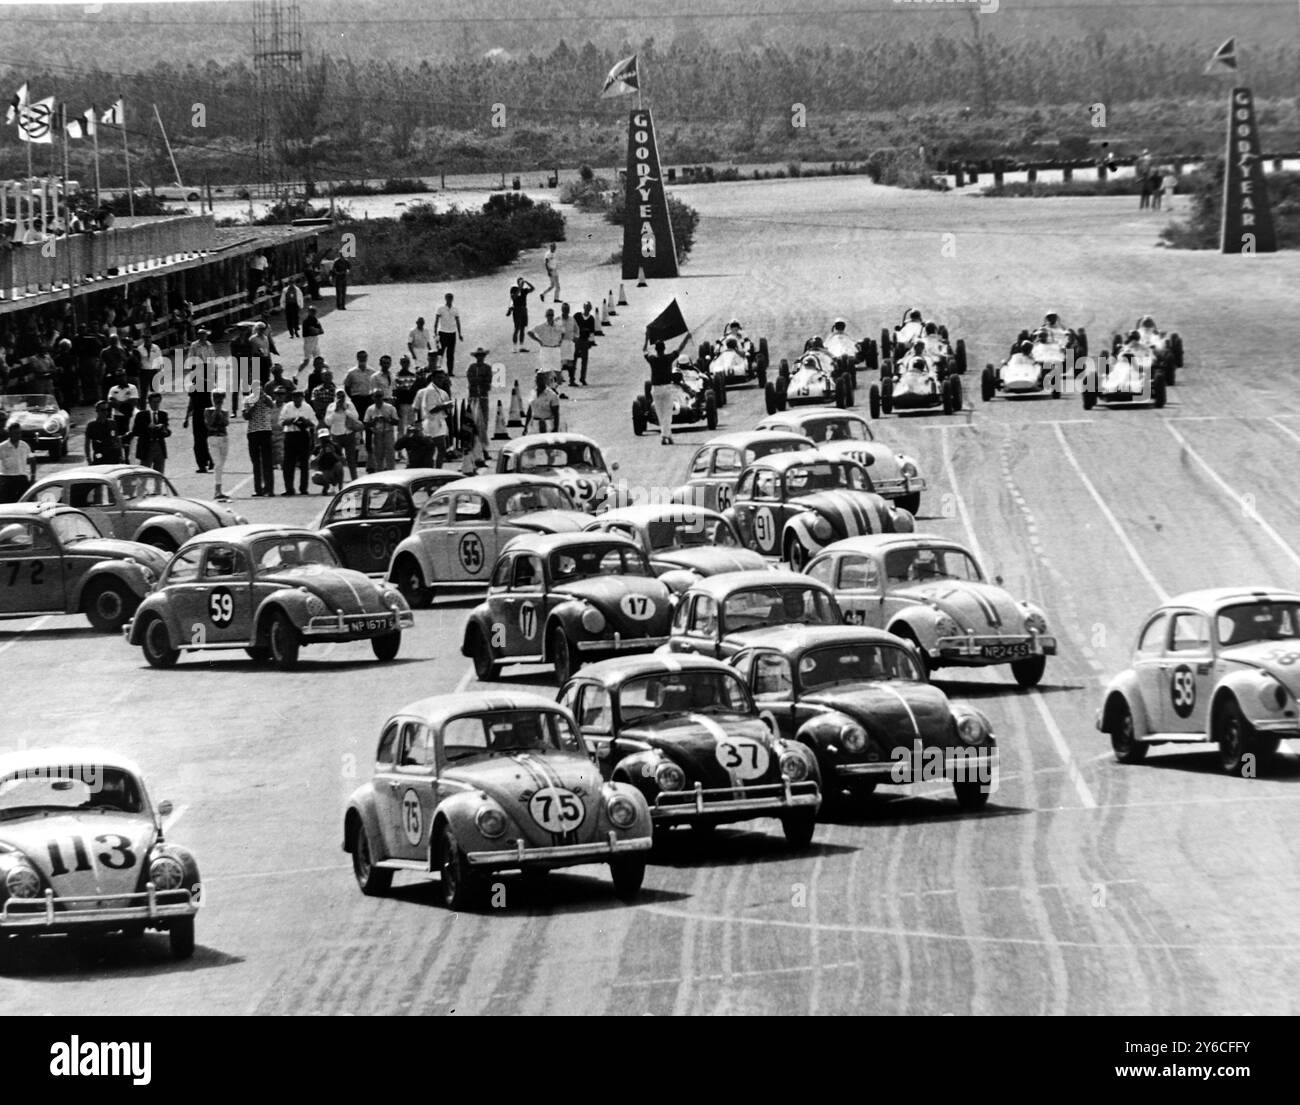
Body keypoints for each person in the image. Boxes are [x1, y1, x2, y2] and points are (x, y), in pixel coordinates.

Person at [644, 333, 693, 445]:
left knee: (660, 414)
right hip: (667, 388)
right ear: (664, 349)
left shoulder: (652, 359)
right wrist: (686, 337)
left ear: (656, 350)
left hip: (656, 389)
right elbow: (679, 349)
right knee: (667, 413)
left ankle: (667, 435)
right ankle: (665, 435)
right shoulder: (668, 358)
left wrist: (647, 338)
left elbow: (644, 350)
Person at [242, 383, 278, 497]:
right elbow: (246, 416)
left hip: (265, 431)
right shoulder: (248, 399)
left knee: (268, 462)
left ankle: (269, 489)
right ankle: (258, 489)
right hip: (253, 432)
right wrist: (254, 405)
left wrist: (263, 397)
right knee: (256, 463)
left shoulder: (267, 398)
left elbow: (272, 405)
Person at [413, 369, 452, 468]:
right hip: (432, 423)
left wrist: (447, 407)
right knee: (438, 449)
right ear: (433, 378)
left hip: (439, 422)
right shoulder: (429, 390)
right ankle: (435, 470)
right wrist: (445, 406)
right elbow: (431, 409)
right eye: (438, 378)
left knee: (439, 450)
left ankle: (436, 469)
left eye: (443, 378)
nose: (441, 380)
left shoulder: (442, 392)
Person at [280, 387, 315, 495]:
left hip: (303, 435)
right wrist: (292, 420)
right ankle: (289, 488)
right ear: (292, 397)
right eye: (295, 397)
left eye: (299, 397)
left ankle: (303, 488)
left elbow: (314, 423)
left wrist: (304, 421)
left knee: (304, 463)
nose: (297, 399)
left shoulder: (307, 407)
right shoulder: (287, 407)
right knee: (288, 464)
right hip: (290, 434)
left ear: (302, 398)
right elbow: (281, 422)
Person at [129, 391, 171, 474]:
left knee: (159, 473)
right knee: (144, 473)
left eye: (158, 402)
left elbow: (167, 432)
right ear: (149, 402)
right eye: (154, 402)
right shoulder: (142, 415)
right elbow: (136, 431)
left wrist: (163, 429)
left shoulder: (163, 415)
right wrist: (148, 428)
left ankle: (158, 487)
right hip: (146, 446)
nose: (156, 404)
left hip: (159, 446)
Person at [466, 347, 493, 464]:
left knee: (483, 424)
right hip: (474, 398)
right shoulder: (472, 367)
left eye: (482, 356)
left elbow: (487, 382)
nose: (480, 358)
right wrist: (480, 380)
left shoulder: (487, 368)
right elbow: (472, 381)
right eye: (478, 356)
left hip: (482, 398)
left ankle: (483, 448)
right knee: (473, 424)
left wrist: (479, 380)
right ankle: (474, 449)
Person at [527, 308, 565, 392]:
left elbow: (563, 333)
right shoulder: (541, 326)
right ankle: (549, 390)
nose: (550, 317)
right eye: (548, 315)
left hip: (555, 349)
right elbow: (529, 332)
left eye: (551, 315)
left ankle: (553, 388)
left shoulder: (558, 326)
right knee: (546, 371)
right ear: (546, 316)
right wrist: (538, 340)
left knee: (558, 372)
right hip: (545, 349)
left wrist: (560, 341)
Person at [204, 390, 231, 501]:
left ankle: (219, 489)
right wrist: (217, 410)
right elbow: (209, 423)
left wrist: (219, 411)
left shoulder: (225, 411)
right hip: (213, 438)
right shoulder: (208, 411)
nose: (218, 401)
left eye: (220, 399)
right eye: (216, 398)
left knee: (221, 465)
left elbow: (225, 423)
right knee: (218, 464)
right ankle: (217, 489)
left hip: (223, 439)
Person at [364, 387, 398, 472]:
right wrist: (374, 421)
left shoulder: (390, 407)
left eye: (380, 396)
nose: (378, 398)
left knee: (390, 455)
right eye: (376, 396)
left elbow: (397, 421)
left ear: (383, 397)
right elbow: (366, 424)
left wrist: (387, 420)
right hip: (377, 434)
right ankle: (379, 473)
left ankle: (392, 472)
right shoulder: (370, 409)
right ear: (373, 397)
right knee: (378, 456)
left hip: (388, 433)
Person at [0, 422, 35, 502]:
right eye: (16, 433)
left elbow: (33, 460)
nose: (19, 435)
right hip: (7, 480)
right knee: (6, 504)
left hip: (22, 479)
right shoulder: (2, 447)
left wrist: (33, 477)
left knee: (25, 502)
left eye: (20, 433)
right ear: (10, 433)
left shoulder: (25, 446)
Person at [84, 401, 123, 465]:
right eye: (103, 410)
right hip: (99, 455)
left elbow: (118, 440)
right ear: (97, 411)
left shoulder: (112, 423)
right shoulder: (92, 425)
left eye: (107, 410)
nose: (105, 412)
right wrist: (88, 459)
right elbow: (87, 443)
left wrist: (121, 455)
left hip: (113, 455)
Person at [433, 293, 463, 376]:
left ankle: (450, 372)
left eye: (451, 298)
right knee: (440, 353)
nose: (449, 300)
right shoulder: (440, 308)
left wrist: (460, 333)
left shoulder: (455, 309)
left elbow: (457, 322)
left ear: (452, 299)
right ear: (445, 299)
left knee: (450, 354)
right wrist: (435, 333)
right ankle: (437, 370)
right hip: (442, 333)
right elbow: (436, 320)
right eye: (448, 298)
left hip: (452, 333)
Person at [106, 369, 139, 438]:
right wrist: (126, 402)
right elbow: (111, 403)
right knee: (117, 437)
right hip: (116, 416)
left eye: (123, 375)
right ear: (116, 378)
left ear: (126, 376)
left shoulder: (132, 387)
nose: (121, 378)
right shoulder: (113, 389)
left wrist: (118, 402)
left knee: (129, 437)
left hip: (130, 416)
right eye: (119, 376)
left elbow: (134, 402)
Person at [343, 351, 374, 422]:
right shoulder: (351, 372)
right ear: (357, 358)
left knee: (369, 421)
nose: (362, 359)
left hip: (369, 400)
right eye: (361, 357)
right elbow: (347, 386)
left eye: (364, 357)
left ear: (367, 358)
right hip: (357, 400)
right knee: (357, 421)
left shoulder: (372, 372)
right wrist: (353, 397)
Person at [310, 429, 344, 494]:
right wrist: (320, 455)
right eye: (322, 438)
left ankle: (340, 486)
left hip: (334, 472)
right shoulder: (317, 448)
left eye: (326, 437)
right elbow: (311, 463)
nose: (324, 440)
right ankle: (326, 486)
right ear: (319, 438)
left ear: (329, 437)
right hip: (323, 471)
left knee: (339, 465)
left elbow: (343, 460)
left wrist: (333, 453)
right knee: (315, 476)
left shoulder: (335, 446)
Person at [393, 356, 419, 433]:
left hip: (412, 404)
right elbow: (396, 392)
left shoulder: (414, 376)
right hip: (402, 404)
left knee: (411, 426)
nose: (405, 364)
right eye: (403, 362)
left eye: (407, 362)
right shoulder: (397, 376)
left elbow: (415, 391)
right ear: (400, 363)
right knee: (401, 428)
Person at [508, 277, 535, 352]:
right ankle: (514, 347)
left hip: (523, 309)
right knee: (517, 328)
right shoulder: (514, 289)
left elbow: (533, 288)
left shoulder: (524, 290)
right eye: (520, 282)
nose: (522, 284)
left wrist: (526, 282)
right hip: (517, 309)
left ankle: (521, 346)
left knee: (523, 328)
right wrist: (519, 287)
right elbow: (514, 297)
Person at [574, 301, 597, 385]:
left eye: (589, 307)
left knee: (584, 360)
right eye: (586, 307)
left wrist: (591, 342)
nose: (587, 309)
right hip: (577, 340)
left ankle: (582, 378)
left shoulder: (591, 319)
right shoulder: (577, 316)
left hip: (585, 341)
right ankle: (572, 379)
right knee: (574, 360)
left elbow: (592, 332)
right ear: (584, 307)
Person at [558, 302, 578, 387]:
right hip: (561, 343)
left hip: (569, 343)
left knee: (571, 362)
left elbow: (576, 329)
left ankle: (572, 380)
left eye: (567, 309)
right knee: (560, 362)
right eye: (564, 309)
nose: (566, 311)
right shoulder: (558, 320)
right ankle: (558, 379)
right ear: (562, 310)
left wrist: (576, 337)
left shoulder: (572, 319)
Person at [299, 306, 323, 372]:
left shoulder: (316, 320)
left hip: (315, 341)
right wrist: (316, 330)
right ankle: (296, 376)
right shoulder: (306, 321)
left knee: (319, 359)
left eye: (314, 312)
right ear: (309, 312)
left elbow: (321, 331)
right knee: (306, 361)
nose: (313, 313)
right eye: (312, 312)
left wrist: (316, 330)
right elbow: (311, 331)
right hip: (308, 342)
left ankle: (320, 373)